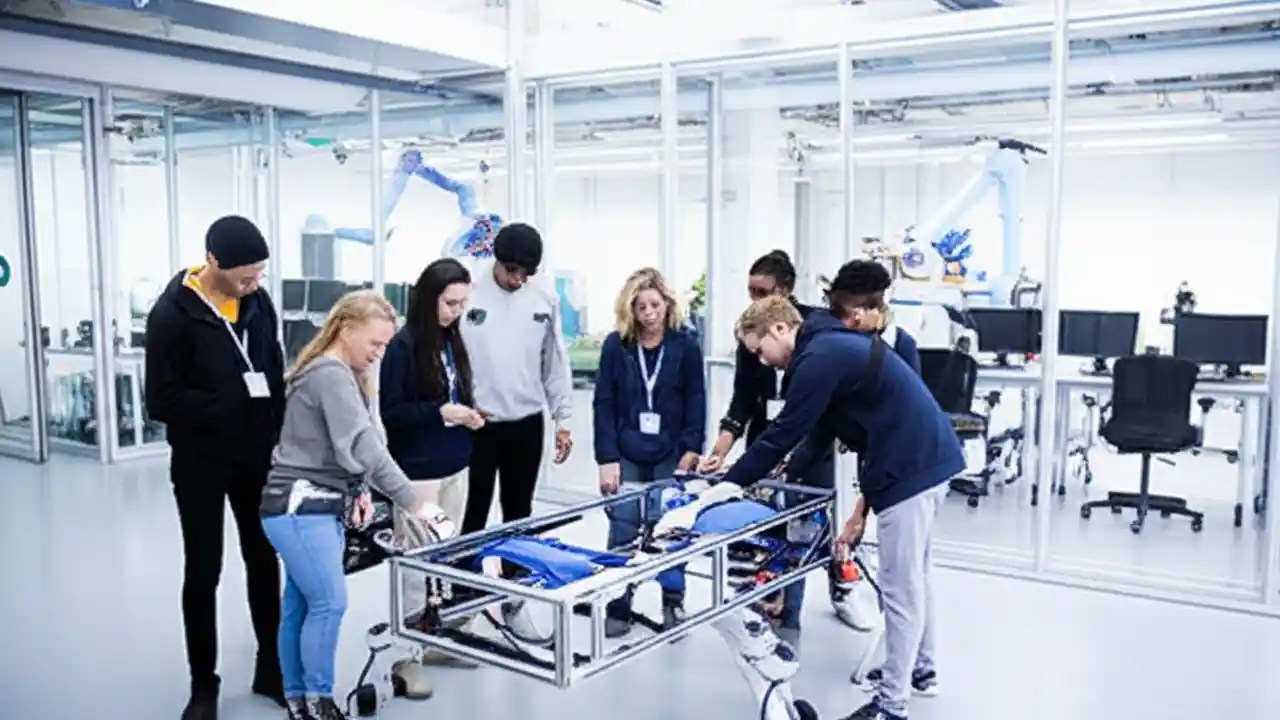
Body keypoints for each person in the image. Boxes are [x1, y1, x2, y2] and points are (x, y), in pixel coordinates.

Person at [716, 296, 965, 720]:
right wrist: (788, 469)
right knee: (916, 580)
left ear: (780, 329)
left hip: (910, 468)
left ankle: (891, 706)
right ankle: (920, 671)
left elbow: (784, 430)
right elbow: (819, 431)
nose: (761, 361)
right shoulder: (828, 345)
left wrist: (728, 485)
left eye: (759, 349)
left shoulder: (817, 358)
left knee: (900, 590)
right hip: (926, 459)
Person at [260, 290, 453, 720]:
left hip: (306, 506)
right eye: (374, 343)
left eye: (385, 345)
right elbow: (365, 447)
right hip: (301, 508)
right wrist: (417, 504)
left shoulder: (335, 373)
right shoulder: (330, 375)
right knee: (329, 603)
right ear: (346, 329)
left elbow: (341, 447)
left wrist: (359, 490)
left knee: (301, 604)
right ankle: (319, 703)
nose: (380, 353)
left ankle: (299, 701)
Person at [145, 215, 286, 720]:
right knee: (204, 570)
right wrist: (225, 405)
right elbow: (160, 400)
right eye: (245, 276)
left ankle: (270, 665)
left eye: (259, 274)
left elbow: (271, 367)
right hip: (200, 460)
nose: (254, 284)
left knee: (263, 558)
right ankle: (203, 685)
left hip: (256, 455)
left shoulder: (259, 303)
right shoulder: (171, 315)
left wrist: (277, 430)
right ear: (212, 262)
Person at [698, 249, 831, 644]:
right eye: (750, 292)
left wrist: (795, 459)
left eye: (763, 292)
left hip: (810, 450)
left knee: (800, 533)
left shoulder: (814, 334)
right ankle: (758, 603)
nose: (754, 299)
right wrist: (721, 449)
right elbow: (742, 399)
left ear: (785, 291)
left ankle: (791, 613)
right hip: (765, 446)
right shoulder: (751, 335)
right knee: (760, 530)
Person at [379, 258, 484, 697]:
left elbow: (455, 392)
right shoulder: (402, 347)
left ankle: (438, 640)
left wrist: (468, 415)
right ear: (428, 299)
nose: (456, 312)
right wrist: (440, 413)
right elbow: (392, 413)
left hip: (454, 465)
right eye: (450, 303)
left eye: (462, 303)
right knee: (414, 567)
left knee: (444, 560)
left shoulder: (451, 340)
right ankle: (406, 658)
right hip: (418, 474)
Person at [593, 267, 706, 636]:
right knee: (623, 523)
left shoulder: (685, 345)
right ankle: (618, 601)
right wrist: (607, 459)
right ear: (630, 309)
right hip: (626, 448)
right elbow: (603, 403)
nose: (649, 314)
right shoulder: (617, 346)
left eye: (655, 305)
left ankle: (672, 600)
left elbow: (696, 398)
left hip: (670, 450)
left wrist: (692, 447)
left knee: (669, 526)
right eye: (641, 307)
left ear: (667, 304)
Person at [459, 222, 574, 537]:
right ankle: (463, 572)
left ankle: (514, 569)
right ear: (496, 259)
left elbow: (554, 361)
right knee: (472, 513)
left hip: (526, 422)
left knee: (519, 514)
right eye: (512, 271)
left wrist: (563, 419)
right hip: (477, 423)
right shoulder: (469, 291)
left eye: (526, 274)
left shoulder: (545, 296)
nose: (518, 280)